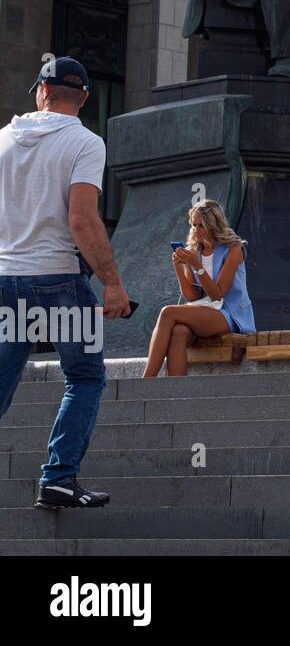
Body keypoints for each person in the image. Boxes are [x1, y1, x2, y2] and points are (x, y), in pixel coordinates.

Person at [0, 57, 131, 510]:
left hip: (6, 282)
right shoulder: (86, 142)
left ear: (41, 90)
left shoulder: (1, 141)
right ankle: (57, 479)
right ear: (85, 98)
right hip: (59, 283)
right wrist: (112, 284)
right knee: (84, 378)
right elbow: (81, 218)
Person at [143, 199, 256, 377]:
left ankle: (146, 381)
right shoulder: (194, 251)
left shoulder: (233, 249)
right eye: (193, 225)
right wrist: (179, 268)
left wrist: (197, 266)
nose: (196, 230)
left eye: (201, 225)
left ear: (213, 226)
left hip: (231, 314)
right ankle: (173, 395)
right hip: (205, 309)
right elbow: (192, 296)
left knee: (168, 312)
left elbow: (218, 295)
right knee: (180, 332)